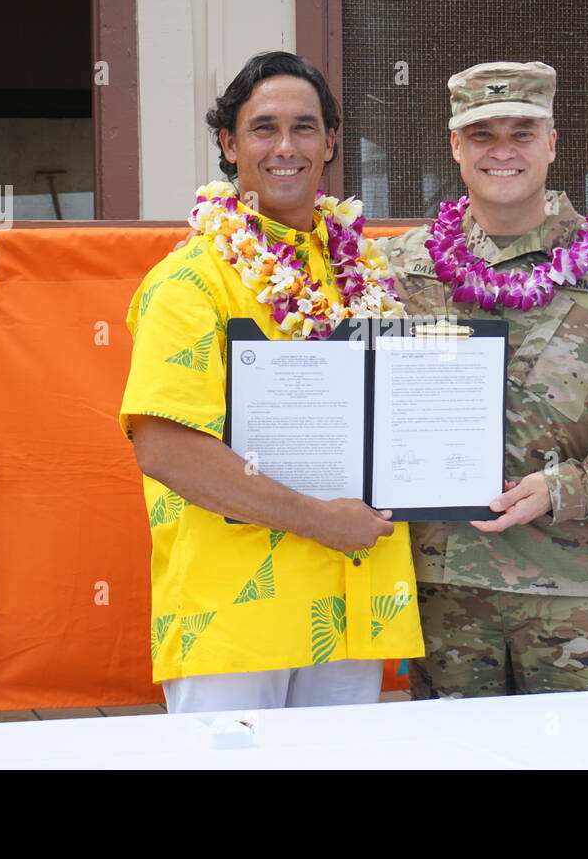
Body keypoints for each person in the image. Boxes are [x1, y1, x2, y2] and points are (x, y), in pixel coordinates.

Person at [383, 60, 588, 698]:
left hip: (572, 589)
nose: (502, 151)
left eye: (522, 133)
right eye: (482, 134)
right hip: (441, 586)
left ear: (552, 144)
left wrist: (568, 487)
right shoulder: (403, 266)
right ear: (455, 145)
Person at [118, 50, 422, 714]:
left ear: (331, 141)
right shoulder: (189, 282)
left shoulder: (363, 271)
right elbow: (165, 450)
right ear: (228, 145)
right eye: (263, 128)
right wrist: (320, 520)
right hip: (234, 618)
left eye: (305, 127)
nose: (286, 146)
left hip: (350, 603)